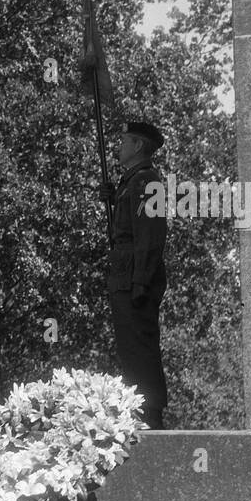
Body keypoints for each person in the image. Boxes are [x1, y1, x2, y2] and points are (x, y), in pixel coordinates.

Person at [105, 119, 169, 430]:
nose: (119, 147)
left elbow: (151, 236)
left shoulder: (147, 182)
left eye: (124, 141)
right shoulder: (133, 182)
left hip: (134, 276)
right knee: (130, 348)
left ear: (138, 146)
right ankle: (138, 411)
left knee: (140, 347)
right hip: (125, 274)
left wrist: (141, 280)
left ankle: (149, 413)